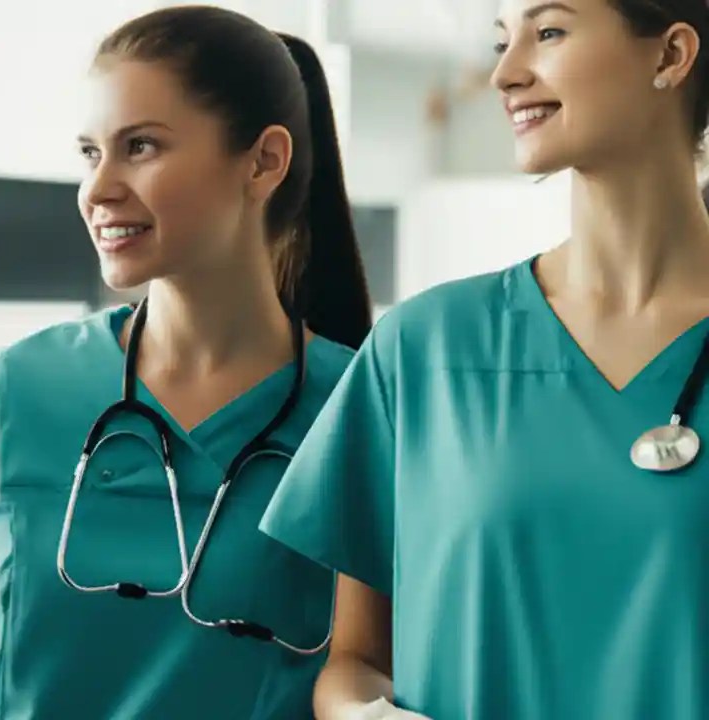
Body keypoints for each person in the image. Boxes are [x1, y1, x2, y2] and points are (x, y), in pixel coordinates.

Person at [0, 6, 373, 719]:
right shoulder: (16, 394)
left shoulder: (362, 414)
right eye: (89, 153)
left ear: (264, 161)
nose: (98, 190)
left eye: (141, 147)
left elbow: (378, 674)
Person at [259, 0, 709, 718]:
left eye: (549, 32)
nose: (505, 73)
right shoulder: (424, 350)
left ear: (669, 55)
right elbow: (356, 663)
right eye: (503, 42)